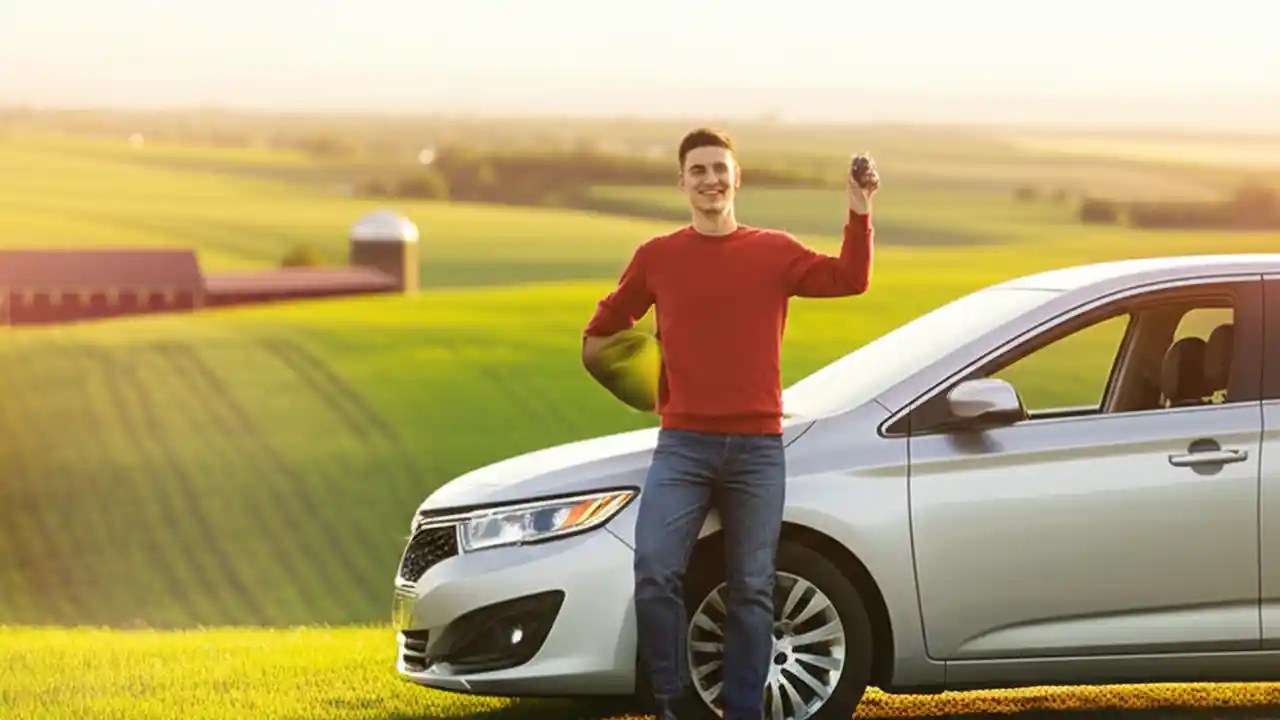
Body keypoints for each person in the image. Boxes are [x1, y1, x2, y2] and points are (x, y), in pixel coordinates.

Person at [581, 128, 877, 720]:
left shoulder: (773, 251)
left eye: (720, 168)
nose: (711, 179)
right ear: (683, 182)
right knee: (654, 573)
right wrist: (638, 376)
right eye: (698, 170)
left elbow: (850, 278)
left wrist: (859, 210)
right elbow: (605, 327)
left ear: (736, 178)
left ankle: (743, 711)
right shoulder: (657, 256)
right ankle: (673, 702)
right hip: (682, 447)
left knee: (752, 587)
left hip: (757, 449)